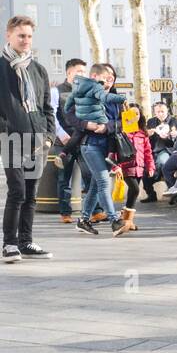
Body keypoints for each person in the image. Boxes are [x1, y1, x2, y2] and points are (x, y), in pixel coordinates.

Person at [0, 14, 55, 261]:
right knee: (17, 191)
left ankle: (26, 242)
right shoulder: (1, 68)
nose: (26, 40)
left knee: (31, 194)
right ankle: (9, 244)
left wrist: (49, 137)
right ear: (9, 35)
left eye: (29, 36)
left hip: (38, 141)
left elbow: (47, 107)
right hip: (11, 140)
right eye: (21, 35)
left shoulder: (38, 69)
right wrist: (6, 129)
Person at [68, 63, 128, 236]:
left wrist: (107, 127)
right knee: (103, 182)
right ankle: (114, 220)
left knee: (95, 185)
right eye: (106, 78)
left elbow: (123, 123)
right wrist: (88, 124)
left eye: (112, 78)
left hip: (109, 147)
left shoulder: (115, 99)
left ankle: (83, 220)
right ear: (95, 77)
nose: (109, 81)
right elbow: (70, 116)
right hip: (90, 145)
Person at [54, 57, 88, 223]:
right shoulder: (56, 91)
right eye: (79, 71)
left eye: (84, 71)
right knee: (64, 179)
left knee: (89, 175)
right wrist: (61, 134)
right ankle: (65, 213)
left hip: (83, 140)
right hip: (64, 141)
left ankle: (94, 211)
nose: (82, 74)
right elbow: (52, 116)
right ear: (69, 72)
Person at [116, 103, 156, 232]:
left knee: (132, 194)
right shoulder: (122, 132)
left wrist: (150, 167)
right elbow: (115, 151)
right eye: (132, 113)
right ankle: (126, 220)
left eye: (137, 114)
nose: (135, 116)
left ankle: (127, 219)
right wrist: (115, 167)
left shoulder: (142, 133)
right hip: (126, 167)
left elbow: (148, 152)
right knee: (135, 189)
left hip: (139, 167)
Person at [143, 101, 177, 201]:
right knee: (144, 170)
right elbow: (147, 138)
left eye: (162, 111)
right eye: (158, 112)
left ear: (167, 110)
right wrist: (149, 134)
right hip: (153, 151)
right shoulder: (151, 121)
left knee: (162, 163)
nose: (160, 114)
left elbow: (175, 141)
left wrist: (167, 137)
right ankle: (151, 194)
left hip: (167, 150)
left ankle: (174, 193)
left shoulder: (173, 121)